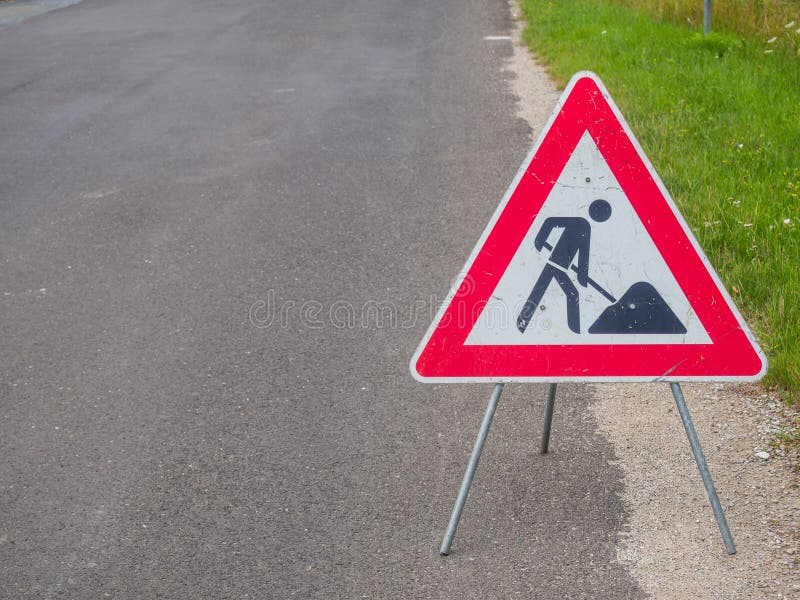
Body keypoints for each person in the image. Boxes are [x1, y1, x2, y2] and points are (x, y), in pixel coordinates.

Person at [516, 199, 611, 334]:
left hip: (560, 268)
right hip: (553, 264)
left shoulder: (585, 226)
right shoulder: (580, 222)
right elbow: (550, 222)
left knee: (549, 291)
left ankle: (573, 331)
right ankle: (523, 322)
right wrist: (539, 240)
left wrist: (582, 277)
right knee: (560, 293)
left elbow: (583, 255)